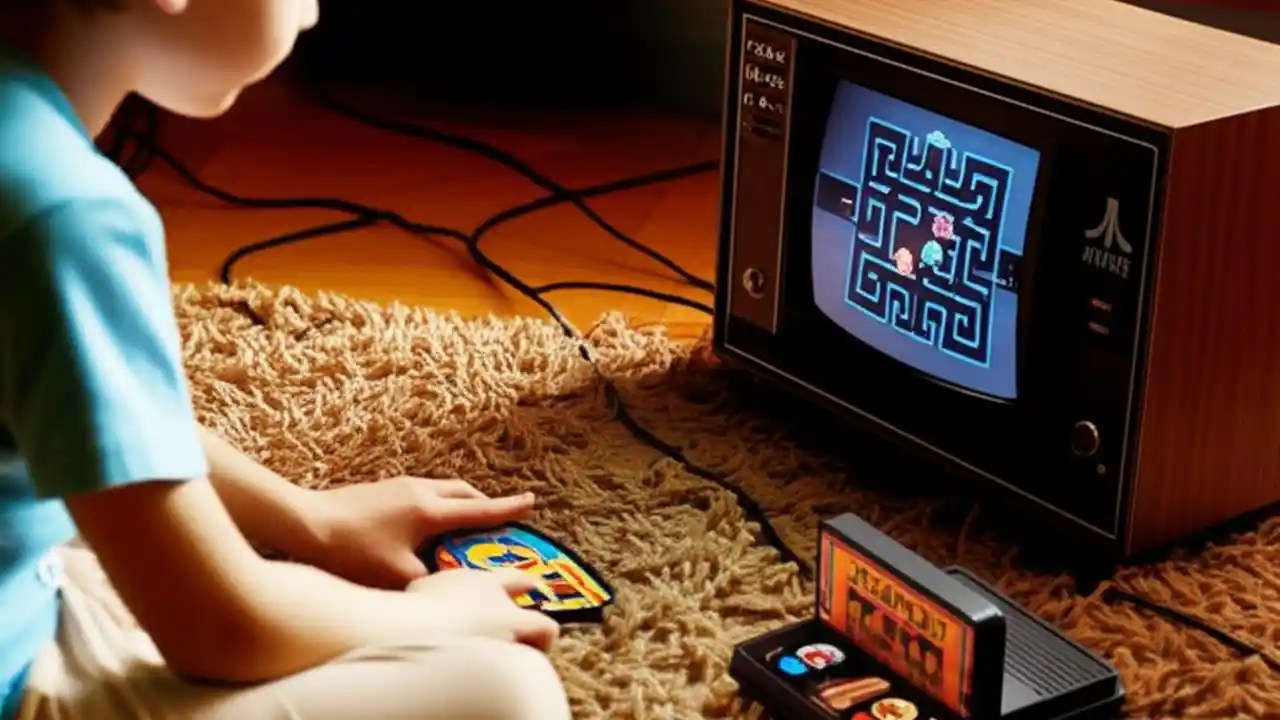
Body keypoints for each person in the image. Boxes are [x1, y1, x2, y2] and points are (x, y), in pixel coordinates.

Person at [0, 1, 572, 718]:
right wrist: (438, 613)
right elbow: (221, 627)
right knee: (502, 690)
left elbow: (84, 413)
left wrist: (306, 518)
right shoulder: (62, 216)